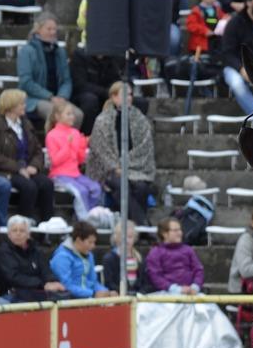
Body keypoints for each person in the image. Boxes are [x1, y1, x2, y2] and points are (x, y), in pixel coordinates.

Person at [0, 89, 55, 225]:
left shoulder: (25, 123)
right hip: (5, 170)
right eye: (21, 103)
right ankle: (23, 225)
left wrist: (34, 165)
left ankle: (47, 226)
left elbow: (38, 150)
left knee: (47, 184)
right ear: (11, 106)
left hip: (27, 168)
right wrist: (18, 168)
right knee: (29, 187)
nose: (25, 106)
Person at [88, 82, 156, 223]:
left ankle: (132, 225)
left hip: (135, 167)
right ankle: (143, 224)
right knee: (121, 185)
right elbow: (100, 149)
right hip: (108, 169)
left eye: (130, 94)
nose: (129, 98)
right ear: (114, 97)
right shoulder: (102, 121)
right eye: (125, 95)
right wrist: (116, 167)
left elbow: (145, 147)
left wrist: (128, 165)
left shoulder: (140, 119)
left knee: (141, 187)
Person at [17, 12, 79, 127]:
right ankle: (54, 143)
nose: (53, 32)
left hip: (58, 99)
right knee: (55, 114)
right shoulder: (27, 51)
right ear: (38, 30)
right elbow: (26, 82)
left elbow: (66, 80)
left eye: (54, 29)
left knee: (78, 115)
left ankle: (70, 142)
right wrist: (49, 97)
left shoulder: (59, 51)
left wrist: (62, 96)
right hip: (34, 99)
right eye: (49, 29)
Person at [46, 99, 101, 220]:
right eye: (68, 114)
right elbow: (55, 161)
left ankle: (87, 217)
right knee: (81, 191)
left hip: (75, 174)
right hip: (59, 175)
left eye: (72, 114)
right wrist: (68, 145)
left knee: (96, 188)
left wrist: (83, 145)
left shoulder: (75, 133)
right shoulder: (52, 135)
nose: (72, 117)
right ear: (57, 116)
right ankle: (86, 221)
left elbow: (79, 160)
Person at [0, 215, 67, 302]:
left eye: (22, 230)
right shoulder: (2, 252)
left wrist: (51, 281)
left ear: (28, 234)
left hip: (35, 292)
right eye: (14, 230)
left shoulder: (36, 251)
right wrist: (43, 284)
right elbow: (14, 277)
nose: (18, 233)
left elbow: (46, 270)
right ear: (8, 234)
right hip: (11, 294)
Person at [51, 219, 114, 298]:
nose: (93, 246)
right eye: (90, 242)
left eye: (94, 242)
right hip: (70, 301)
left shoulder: (89, 255)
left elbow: (93, 282)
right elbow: (66, 286)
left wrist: (106, 292)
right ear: (78, 240)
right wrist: (92, 294)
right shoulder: (61, 257)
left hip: (89, 298)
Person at [145, 216, 204, 294]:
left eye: (180, 230)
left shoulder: (188, 250)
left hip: (191, 293)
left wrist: (195, 286)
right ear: (164, 234)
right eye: (175, 230)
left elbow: (198, 270)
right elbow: (155, 276)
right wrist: (174, 289)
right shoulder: (155, 253)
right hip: (166, 295)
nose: (179, 233)